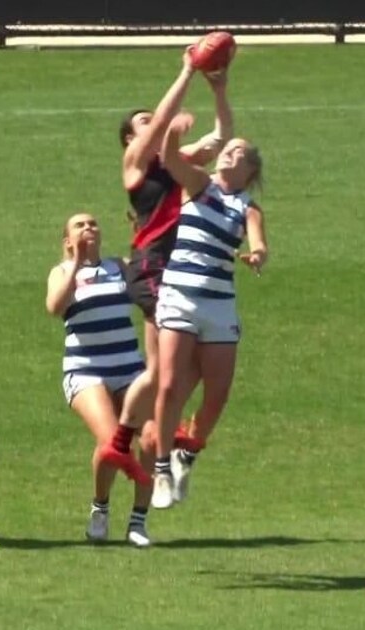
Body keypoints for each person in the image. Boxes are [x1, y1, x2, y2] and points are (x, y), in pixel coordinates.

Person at [108, 48, 236, 508]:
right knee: (170, 370)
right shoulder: (136, 165)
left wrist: (218, 91)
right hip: (153, 267)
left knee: (174, 370)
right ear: (128, 139)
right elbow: (163, 125)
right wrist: (187, 68)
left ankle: (146, 441)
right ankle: (146, 451)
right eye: (142, 121)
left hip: (179, 271)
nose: (152, 121)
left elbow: (221, 139)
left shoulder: (173, 160)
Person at [149, 113, 268, 509]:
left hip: (219, 304)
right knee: (168, 385)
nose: (228, 154)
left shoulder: (248, 207)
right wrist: (174, 132)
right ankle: (162, 468)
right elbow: (168, 158)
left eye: (237, 153)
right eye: (228, 150)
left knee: (217, 394)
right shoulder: (201, 185)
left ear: (249, 170)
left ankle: (188, 454)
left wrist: (257, 255)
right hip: (180, 295)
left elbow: (258, 243)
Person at [46, 212, 158, 547]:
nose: (88, 228)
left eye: (92, 223)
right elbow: (55, 306)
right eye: (79, 225)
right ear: (67, 240)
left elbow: (150, 282)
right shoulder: (62, 272)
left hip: (128, 369)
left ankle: (138, 521)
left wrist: (142, 235)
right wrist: (78, 263)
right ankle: (101, 508)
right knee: (112, 443)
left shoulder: (119, 267)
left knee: (151, 438)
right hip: (86, 371)